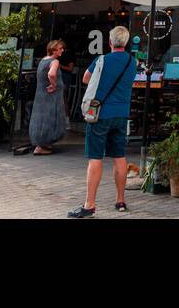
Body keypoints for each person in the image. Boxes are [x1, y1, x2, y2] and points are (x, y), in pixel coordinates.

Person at [68, 26, 136, 218]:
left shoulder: (102, 60)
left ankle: (89, 204)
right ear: (126, 42)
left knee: (95, 158)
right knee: (119, 156)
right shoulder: (132, 61)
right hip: (122, 114)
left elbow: (85, 78)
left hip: (100, 114)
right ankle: (120, 200)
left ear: (109, 42)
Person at [30, 39, 69, 155]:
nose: (62, 50)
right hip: (51, 95)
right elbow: (51, 74)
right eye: (60, 48)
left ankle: (42, 144)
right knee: (50, 117)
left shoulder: (43, 60)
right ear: (53, 49)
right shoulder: (54, 61)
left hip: (41, 95)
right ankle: (41, 147)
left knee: (41, 117)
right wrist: (53, 84)